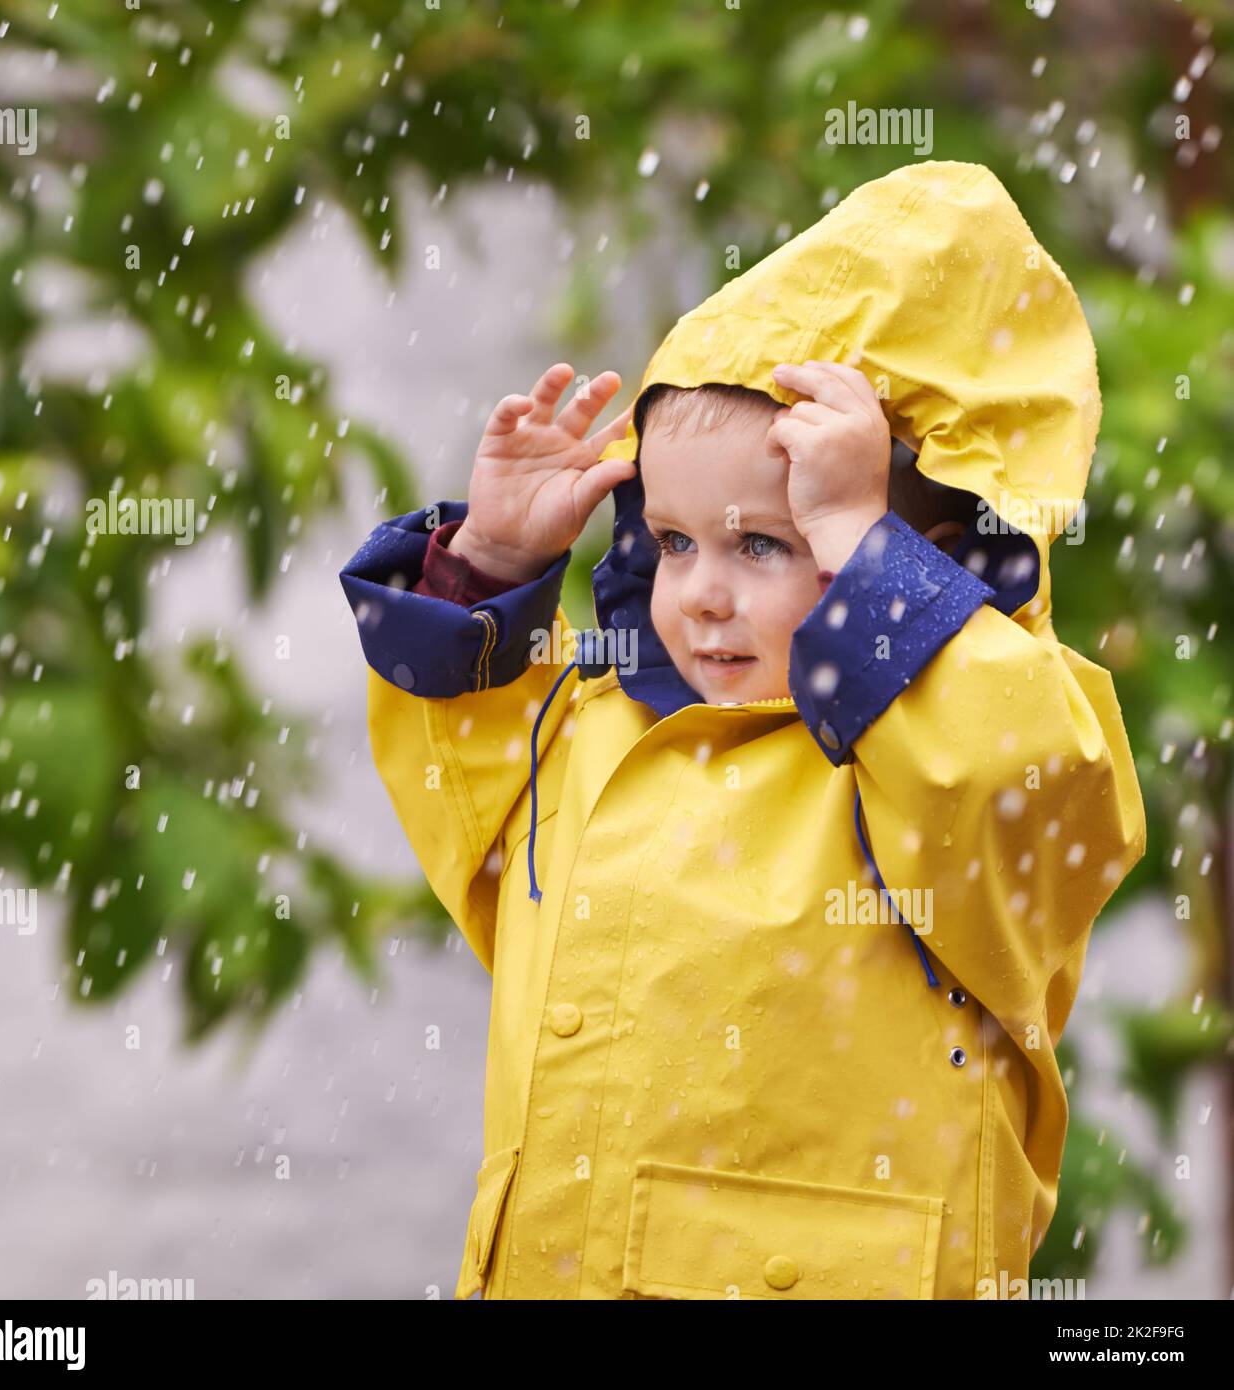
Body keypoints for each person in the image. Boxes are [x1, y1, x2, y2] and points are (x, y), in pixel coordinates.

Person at [340, 160, 1146, 1300]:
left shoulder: (956, 760)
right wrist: (494, 564)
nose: (700, 595)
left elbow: (1007, 783)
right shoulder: (602, 733)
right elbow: (467, 798)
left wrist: (862, 552)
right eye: (672, 541)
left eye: (764, 543)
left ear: (923, 558)